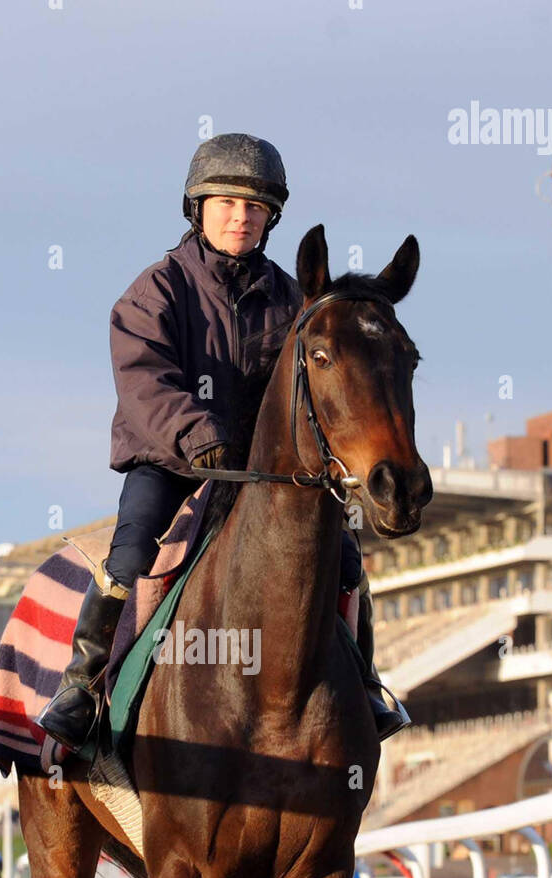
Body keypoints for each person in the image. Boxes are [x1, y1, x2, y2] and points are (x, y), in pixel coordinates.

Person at [35, 132, 406, 756]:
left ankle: (364, 687)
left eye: (255, 208)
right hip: (173, 464)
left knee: (346, 565)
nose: (242, 216)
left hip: (266, 476)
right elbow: (143, 379)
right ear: (197, 208)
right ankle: (84, 688)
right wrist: (196, 431)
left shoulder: (294, 299)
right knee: (130, 559)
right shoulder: (154, 291)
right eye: (228, 203)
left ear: (271, 219)